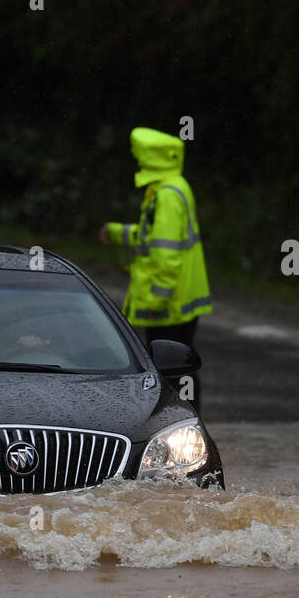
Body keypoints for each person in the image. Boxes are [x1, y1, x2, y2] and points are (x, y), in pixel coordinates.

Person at [100, 127, 211, 409]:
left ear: (152, 159)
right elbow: (152, 236)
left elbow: (165, 253)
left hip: (168, 303)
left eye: (141, 157)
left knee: (171, 366)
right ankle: (186, 421)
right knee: (180, 363)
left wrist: (155, 300)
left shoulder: (167, 195)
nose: (138, 162)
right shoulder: (171, 188)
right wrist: (116, 232)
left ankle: (181, 426)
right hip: (178, 298)